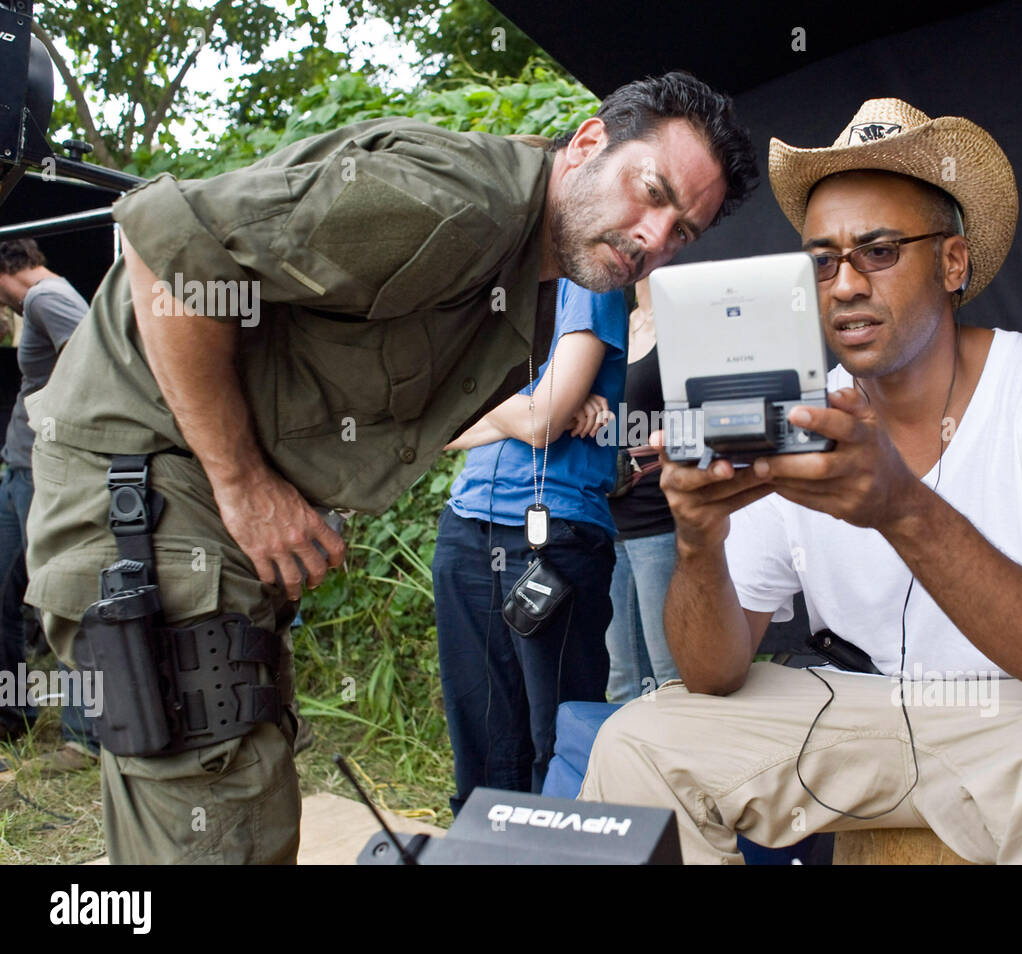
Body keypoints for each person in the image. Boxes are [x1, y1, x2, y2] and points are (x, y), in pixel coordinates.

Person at [23, 70, 757, 863]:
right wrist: (244, 484)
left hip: (190, 503)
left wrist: (293, 484)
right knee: (222, 814)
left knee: (205, 796)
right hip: (148, 489)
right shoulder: (451, 203)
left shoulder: (532, 282)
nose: (653, 236)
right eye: (650, 191)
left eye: (683, 230)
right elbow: (168, 251)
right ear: (586, 143)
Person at [579, 98, 1022, 864]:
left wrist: (901, 507)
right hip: (868, 710)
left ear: (953, 262)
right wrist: (698, 541)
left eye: (878, 251)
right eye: (821, 260)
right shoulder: (798, 415)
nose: (845, 283)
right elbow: (712, 672)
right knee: (641, 741)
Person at [433, 277, 626, 811]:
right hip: (465, 525)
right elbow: (439, 427)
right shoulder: (496, 287)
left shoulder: (592, 281)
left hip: (556, 532)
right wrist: (532, 408)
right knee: (479, 729)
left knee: (559, 734)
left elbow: (539, 423)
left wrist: (487, 399)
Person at [0, 240, 99, 770]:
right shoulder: (37, 302)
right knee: (7, 594)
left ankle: (85, 738)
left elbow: (94, 363)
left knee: (60, 596)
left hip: (42, 474)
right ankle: (12, 713)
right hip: (19, 471)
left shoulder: (45, 297)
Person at [603, 276, 679, 702]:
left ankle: (682, 767)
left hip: (659, 520)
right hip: (606, 518)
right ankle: (626, 768)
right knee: (620, 676)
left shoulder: (683, 326)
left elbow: (704, 415)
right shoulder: (614, 324)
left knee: (669, 672)